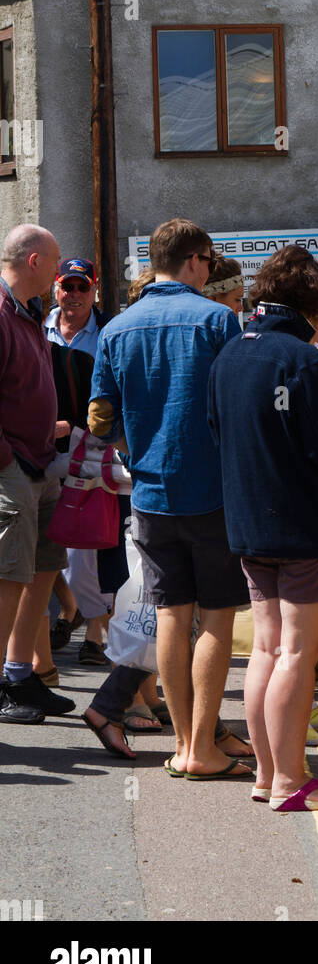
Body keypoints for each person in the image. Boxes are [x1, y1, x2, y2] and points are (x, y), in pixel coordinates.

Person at [87, 218, 251, 778]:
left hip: (150, 493)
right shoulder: (218, 320)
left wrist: (137, 443)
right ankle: (204, 746)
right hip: (211, 492)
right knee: (218, 620)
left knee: (172, 617)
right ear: (196, 260)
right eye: (208, 260)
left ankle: (185, 747)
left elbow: (101, 420)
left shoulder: (116, 329)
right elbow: (239, 406)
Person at [208, 246, 318, 812]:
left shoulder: (228, 355)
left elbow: (216, 432)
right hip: (304, 526)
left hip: (248, 520)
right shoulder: (306, 360)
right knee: (297, 653)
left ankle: (267, 776)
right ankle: (292, 782)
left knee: (268, 650)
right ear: (313, 304)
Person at [0, 224, 76, 723]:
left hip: (40, 460)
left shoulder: (29, 313)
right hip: (13, 466)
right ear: (33, 262)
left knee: (44, 569)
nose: (59, 273)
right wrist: (8, 460)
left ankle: (19, 674)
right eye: (55, 263)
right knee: (8, 574)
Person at [45, 259, 114, 667]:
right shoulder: (37, 327)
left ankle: (95, 631)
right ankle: (72, 608)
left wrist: (74, 425)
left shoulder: (106, 333)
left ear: (94, 291)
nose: (73, 295)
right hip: (38, 446)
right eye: (66, 287)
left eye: (81, 287)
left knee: (83, 544)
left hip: (90, 447)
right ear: (55, 288)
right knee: (46, 541)